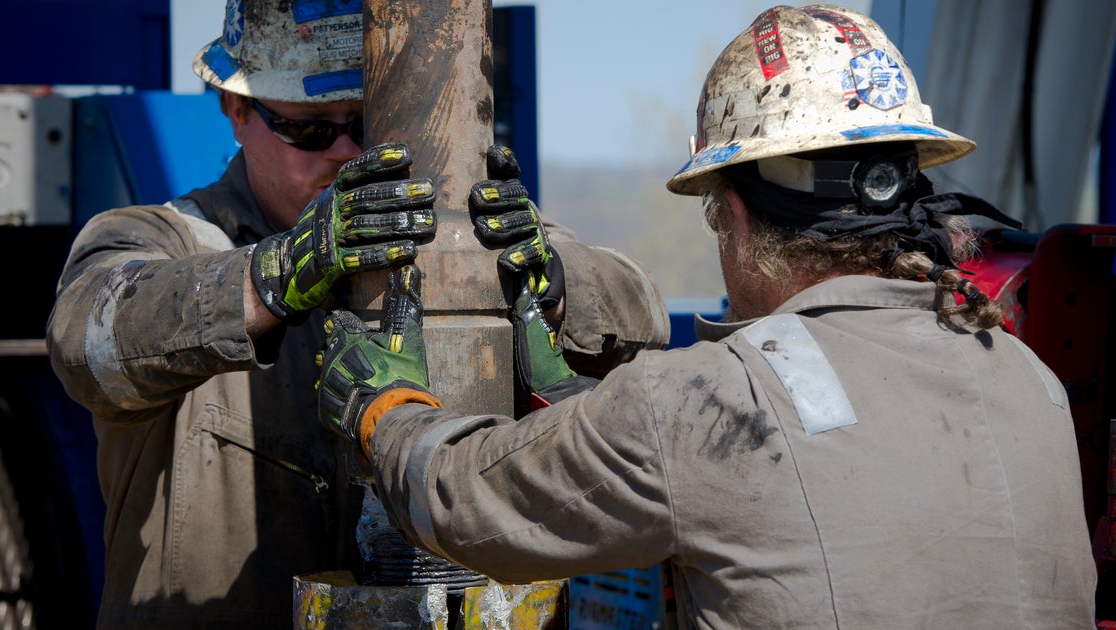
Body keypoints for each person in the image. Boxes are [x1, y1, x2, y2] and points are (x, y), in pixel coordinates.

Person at [314, 5, 1099, 628]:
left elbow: (461, 501)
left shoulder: (707, 404)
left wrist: (385, 412)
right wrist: (579, 408)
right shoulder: (1029, 378)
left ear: (736, 216)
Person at [44, 1, 668, 627]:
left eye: (366, 124)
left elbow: (647, 320)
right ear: (237, 108)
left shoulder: (472, 241)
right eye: (311, 130)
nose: (344, 152)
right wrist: (274, 276)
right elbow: (84, 340)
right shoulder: (168, 239)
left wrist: (557, 287)